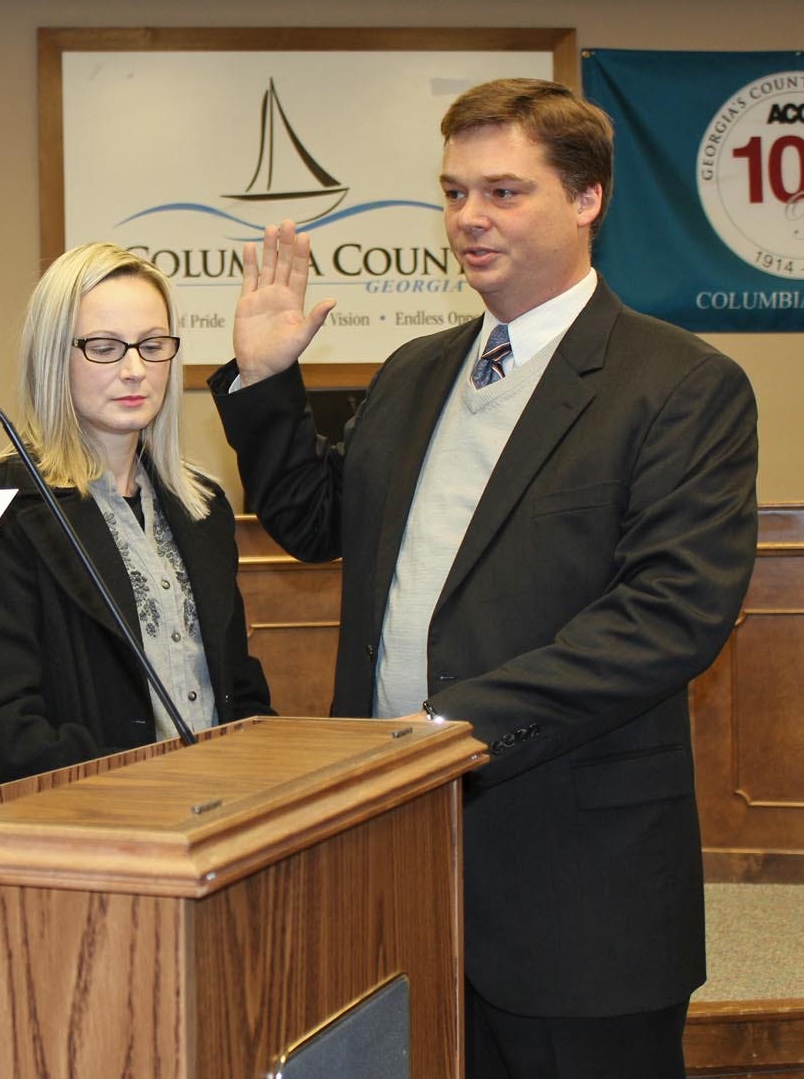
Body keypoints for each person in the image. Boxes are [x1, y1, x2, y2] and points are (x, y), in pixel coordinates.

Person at [209, 78, 758, 1078]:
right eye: (453, 192)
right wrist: (262, 379)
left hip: (576, 890)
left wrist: (445, 727)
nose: (468, 217)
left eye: (502, 192)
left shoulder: (679, 385)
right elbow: (314, 521)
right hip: (395, 862)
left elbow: (668, 616)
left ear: (586, 198)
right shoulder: (416, 370)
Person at [0, 242, 272, 788]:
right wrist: (152, 782)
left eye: (152, 345)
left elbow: (237, 688)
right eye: (105, 347)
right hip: (92, 830)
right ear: (52, 356)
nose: (136, 370)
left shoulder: (202, 505)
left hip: (221, 819)